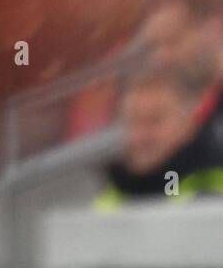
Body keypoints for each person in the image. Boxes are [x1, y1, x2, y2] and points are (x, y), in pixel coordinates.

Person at [95, 66, 223, 208]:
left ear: (189, 123)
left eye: (154, 120)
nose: (140, 135)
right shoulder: (112, 196)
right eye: (133, 120)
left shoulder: (213, 194)